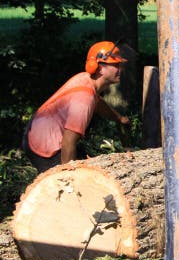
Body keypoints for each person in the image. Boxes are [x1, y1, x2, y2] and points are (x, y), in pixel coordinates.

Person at [23, 41, 131, 172]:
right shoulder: (84, 99)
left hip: (36, 129)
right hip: (44, 146)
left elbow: (98, 103)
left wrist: (119, 118)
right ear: (99, 67)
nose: (121, 69)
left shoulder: (86, 79)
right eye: (116, 65)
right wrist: (69, 176)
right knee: (64, 178)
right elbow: (68, 142)